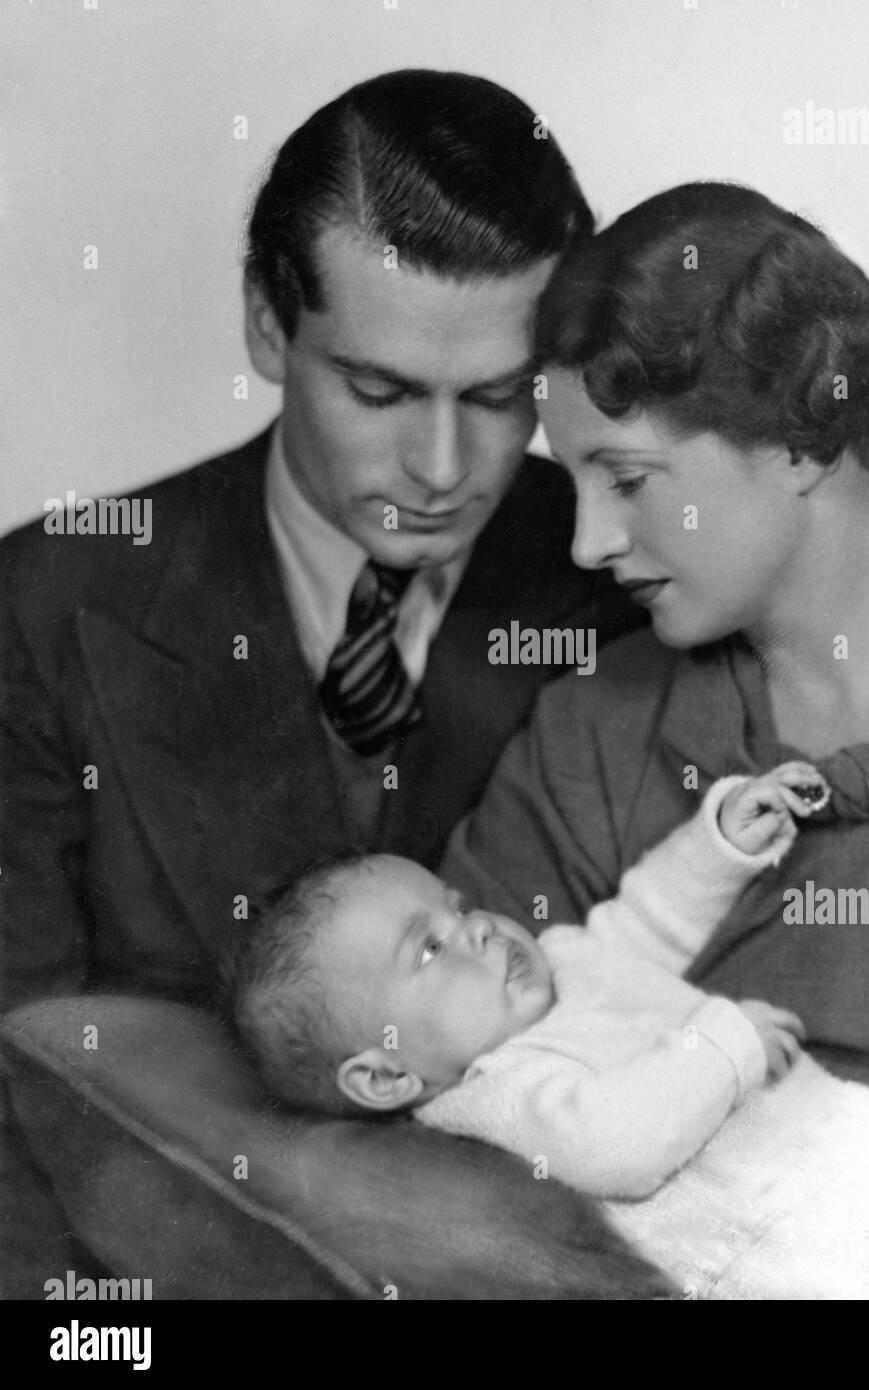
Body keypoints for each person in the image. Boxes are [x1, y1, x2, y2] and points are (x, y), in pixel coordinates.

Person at [0, 69, 641, 1294]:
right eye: (380, 390)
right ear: (264, 322)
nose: (443, 465)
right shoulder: (42, 606)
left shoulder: (633, 588)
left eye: (501, 399)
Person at [441, 181, 869, 1204]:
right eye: (573, 484)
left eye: (629, 479)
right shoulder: (595, 733)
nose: (587, 543)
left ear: (799, 438)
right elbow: (451, 1100)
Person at [230, 765, 869, 1299]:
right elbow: (616, 1145)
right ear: (384, 1077)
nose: (477, 929)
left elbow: (648, 920)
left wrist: (719, 846)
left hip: (863, 1154)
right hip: (786, 1247)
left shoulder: (562, 962)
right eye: (429, 950)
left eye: (455, 907)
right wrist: (724, 1047)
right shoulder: (496, 1099)